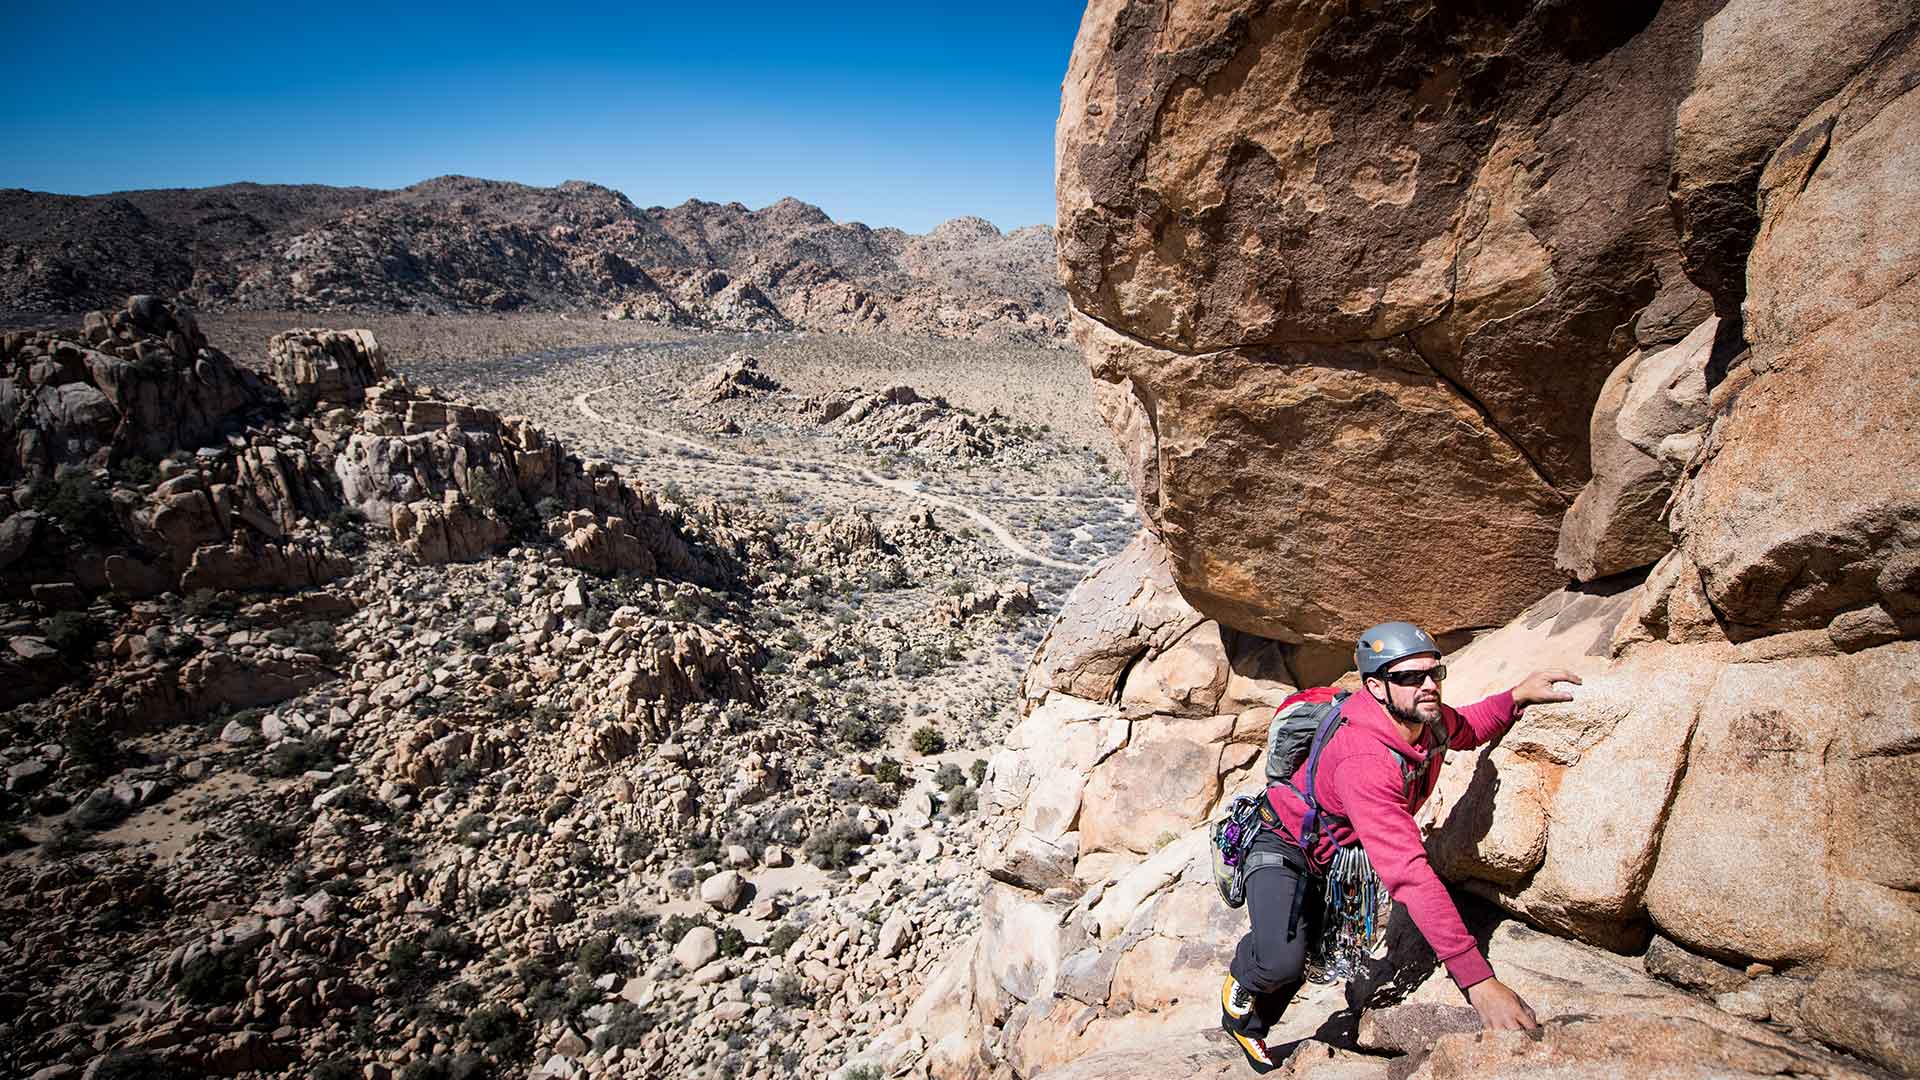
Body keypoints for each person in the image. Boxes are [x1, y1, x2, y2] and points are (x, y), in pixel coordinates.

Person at [1220, 620, 1580, 1072]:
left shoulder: (1424, 720)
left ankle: (1254, 1024)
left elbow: (1469, 726)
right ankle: (1242, 983)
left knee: (1308, 950)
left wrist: (1517, 696)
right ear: (1376, 686)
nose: (1428, 685)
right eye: (1409, 676)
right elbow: (1409, 873)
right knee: (1278, 960)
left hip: (1330, 853)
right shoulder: (1365, 758)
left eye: (1434, 672)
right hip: (1282, 842)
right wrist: (1479, 983)